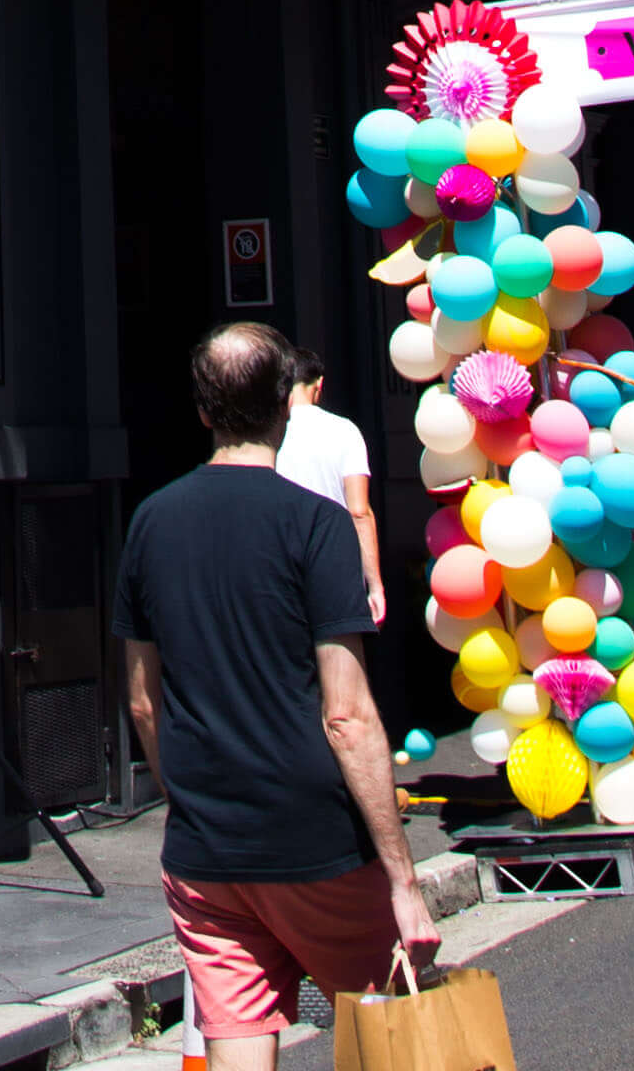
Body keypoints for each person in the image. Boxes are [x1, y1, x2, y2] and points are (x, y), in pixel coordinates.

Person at [115, 326, 443, 1071]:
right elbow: (347, 714)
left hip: (205, 849)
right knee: (393, 1031)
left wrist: (186, 796)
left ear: (203, 412)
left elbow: (142, 701)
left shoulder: (150, 523)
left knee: (235, 1045)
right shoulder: (317, 523)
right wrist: (403, 880)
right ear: (286, 410)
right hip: (313, 836)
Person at [271, 357, 386, 629]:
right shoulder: (344, 431)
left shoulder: (269, 433)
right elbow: (359, 511)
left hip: (280, 566)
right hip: (334, 566)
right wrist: (375, 585)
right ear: (319, 384)